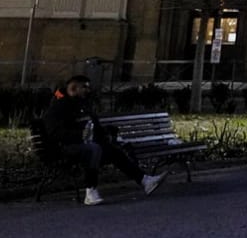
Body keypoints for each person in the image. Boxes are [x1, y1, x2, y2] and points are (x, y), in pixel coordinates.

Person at [40, 75, 164, 206]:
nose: (88, 90)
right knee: (94, 149)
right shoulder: (58, 106)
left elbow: (94, 126)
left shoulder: (83, 104)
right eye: (85, 87)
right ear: (73, 88)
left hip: (86, 144)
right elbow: (55, 133)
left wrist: (106, 132)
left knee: (113, 151)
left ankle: (145, 181)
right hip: (66, 147)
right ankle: (90, 191)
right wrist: (79, 135)